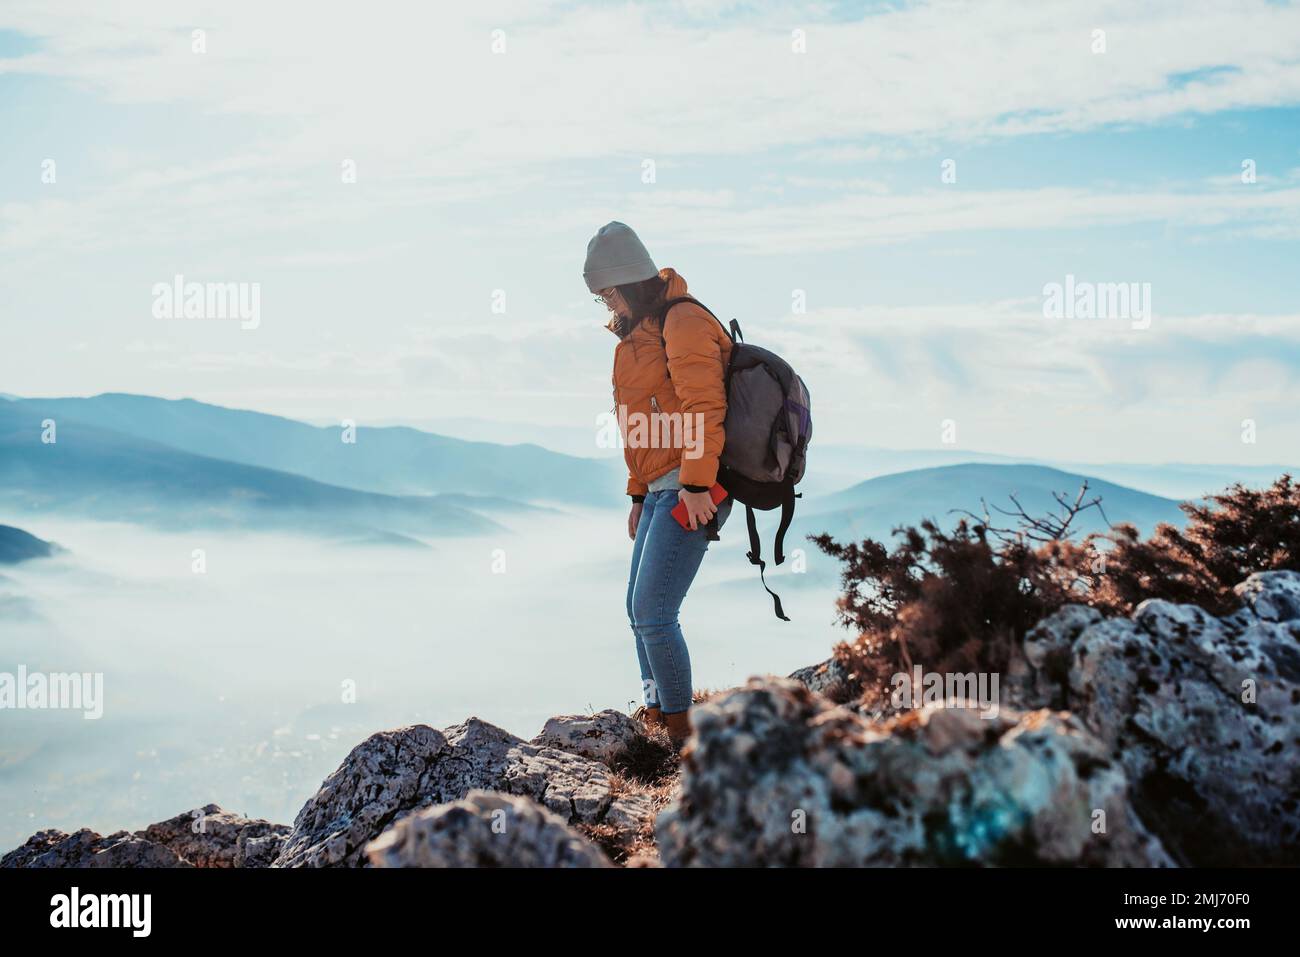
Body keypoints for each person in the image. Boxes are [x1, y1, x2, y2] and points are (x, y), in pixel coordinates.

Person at [583, 221, 733, 748]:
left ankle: (682, 743)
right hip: (661, 487)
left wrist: (695, 486)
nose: (607, 305)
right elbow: (642, 421)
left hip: (694, 488)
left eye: (608, 293)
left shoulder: (682, 321)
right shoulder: (639, 335)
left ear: (628, 282)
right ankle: (656, 716)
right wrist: (637, 492)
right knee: (637, 611)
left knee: (654, 613)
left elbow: (703, 409)